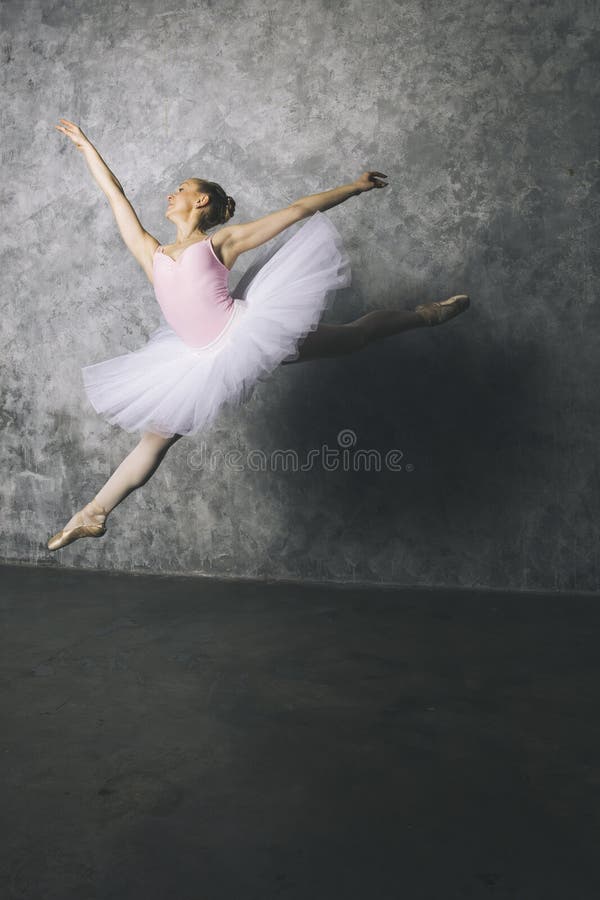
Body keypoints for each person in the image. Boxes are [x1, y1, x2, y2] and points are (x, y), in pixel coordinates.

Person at [47, 118, 470, 551]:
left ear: (201, 200)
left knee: (355, 337)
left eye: (181, 188)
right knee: (156, 437)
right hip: (193, 360)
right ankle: (94, 513)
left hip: (246, 335)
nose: (171, 193)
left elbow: (298, 210)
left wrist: (355, 187)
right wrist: (85, 148)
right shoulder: (150, 252)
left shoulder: (220, 243)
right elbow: (115, 195)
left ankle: (425, 315)